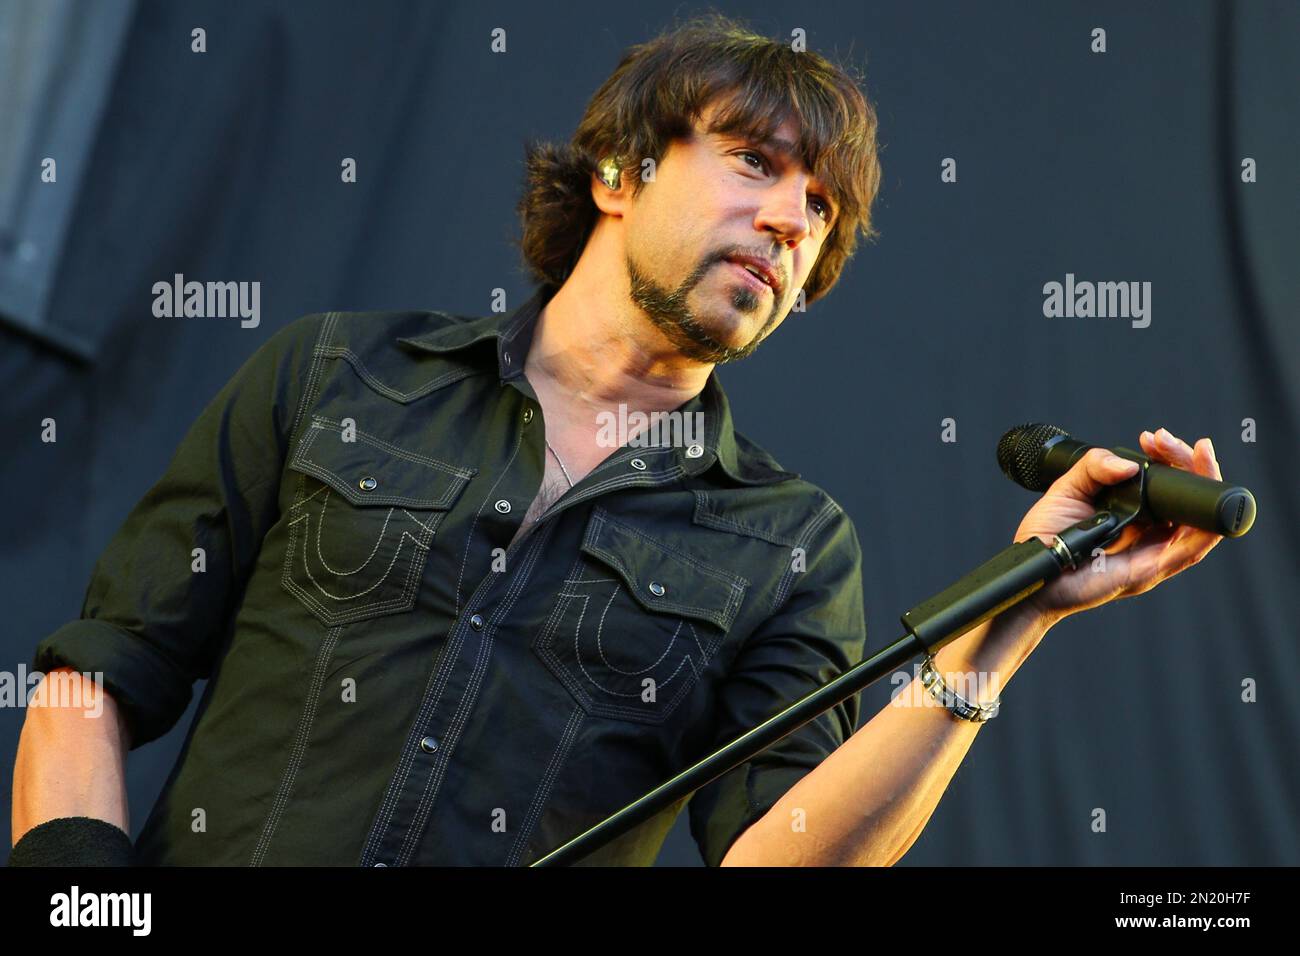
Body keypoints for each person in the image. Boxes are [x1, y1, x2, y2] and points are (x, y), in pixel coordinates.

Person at [10, 13, 1224, 867]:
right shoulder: (333, 371)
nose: (790, 218)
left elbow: (779, 859)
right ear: (618, 172)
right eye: (755, 162)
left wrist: (1001, 628)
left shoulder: (791, 545)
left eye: (822, 212)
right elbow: (96, 670)